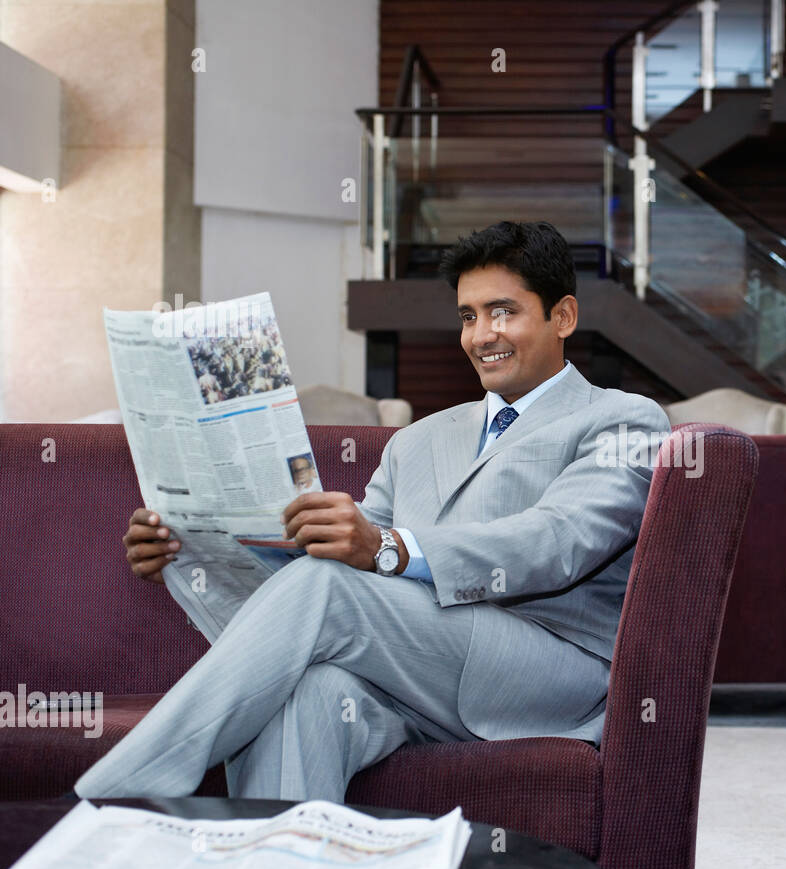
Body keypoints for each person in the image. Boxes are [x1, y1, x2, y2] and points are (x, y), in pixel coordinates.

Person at [74, 220, 670, 802]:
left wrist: (389, 546)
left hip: (544, 675)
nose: (482, 334)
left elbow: (559, 540)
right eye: (468, 316)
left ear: (562, 316)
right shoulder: (416, 439)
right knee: (313, 690)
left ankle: (123, 788)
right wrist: (189, 549)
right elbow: (342, 564)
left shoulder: (623, 419)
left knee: (332, 588)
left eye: (503, 311)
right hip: (412, 675)